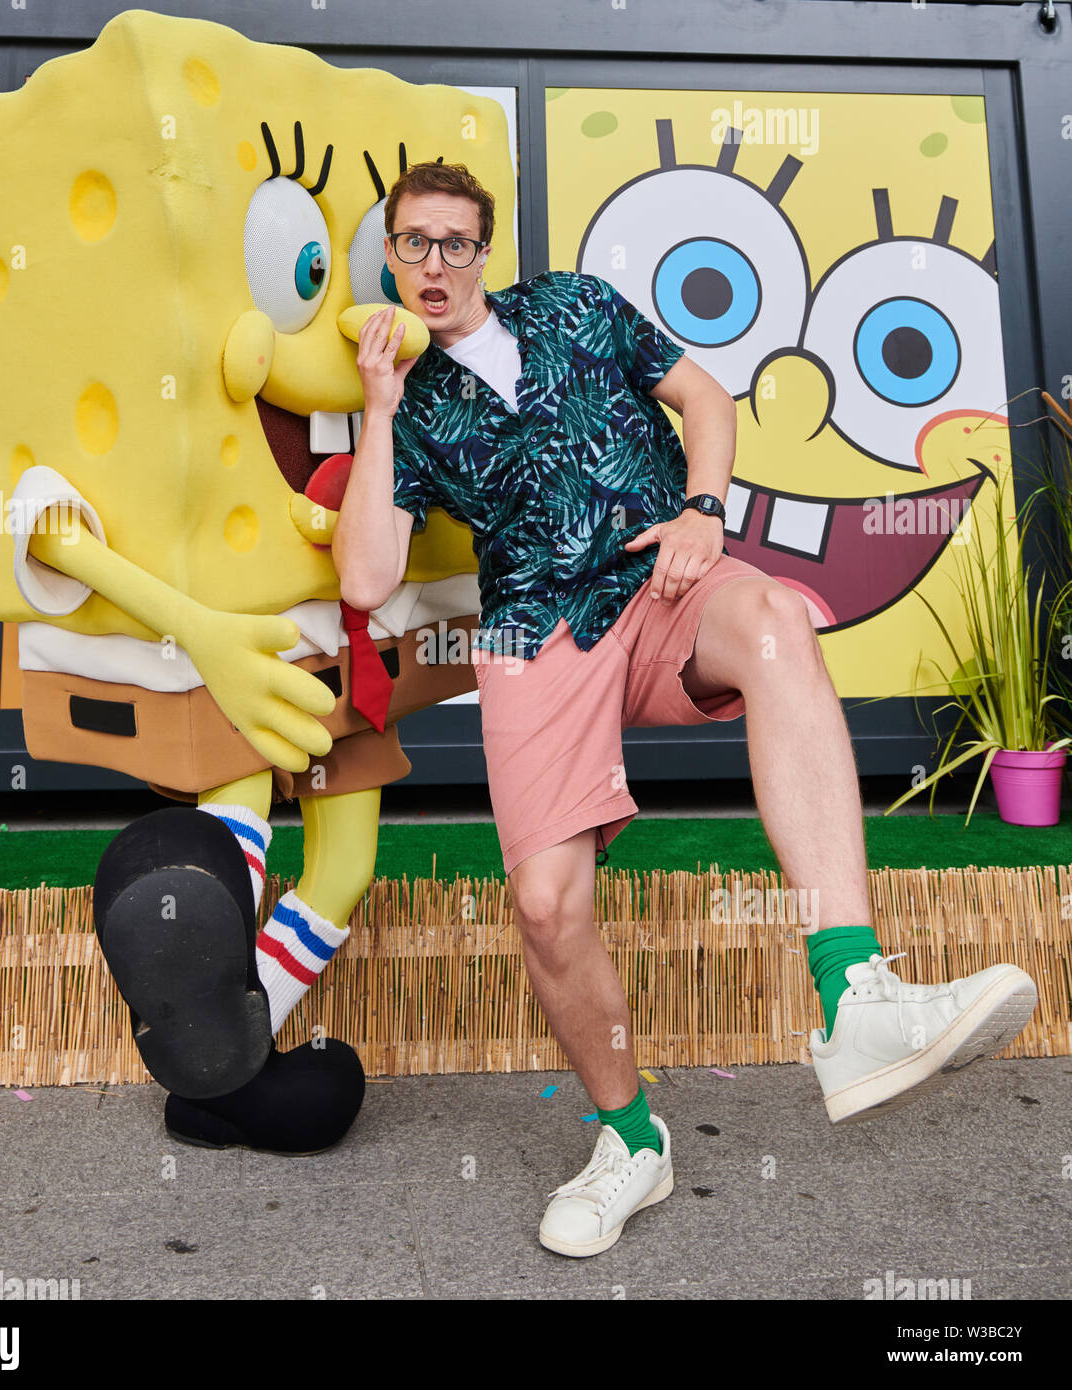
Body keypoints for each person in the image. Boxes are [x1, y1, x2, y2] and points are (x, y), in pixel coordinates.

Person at [331, 160, 1038, 1258]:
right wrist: (376, 414)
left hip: (661, 581)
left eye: (455, 243)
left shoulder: (571, 303)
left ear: (485, 250)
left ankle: (854, 992)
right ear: (388, 255)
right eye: (413, 244)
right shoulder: (412, 407)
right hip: (532, 630)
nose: (433, 264)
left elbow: (703, 396)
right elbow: (369, 578)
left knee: (773, 621)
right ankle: (630, 1141)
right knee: (545, 906)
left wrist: (704, 508)